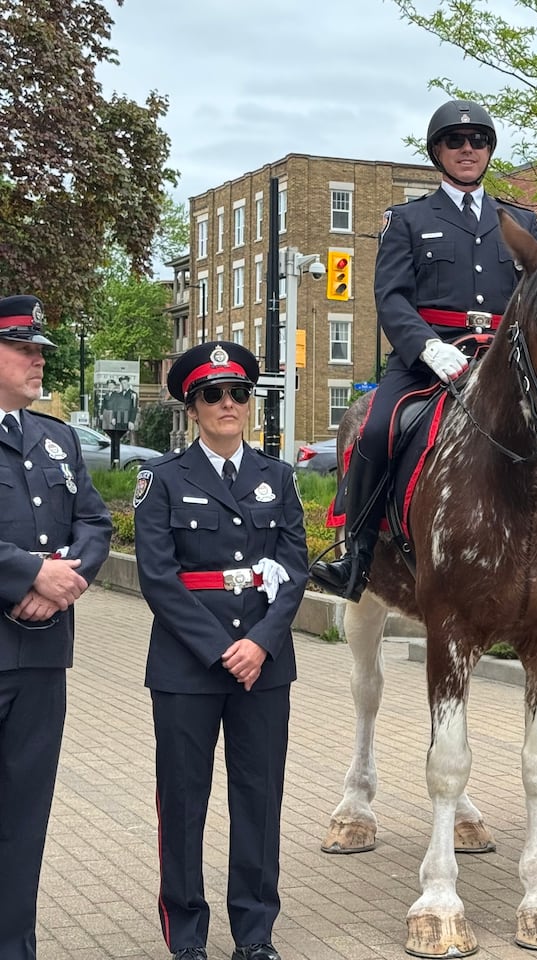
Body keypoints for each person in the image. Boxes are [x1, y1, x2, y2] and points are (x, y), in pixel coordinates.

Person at [310, 99, 537, 601]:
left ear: (489, 150)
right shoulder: (409, 219)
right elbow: (391, 298)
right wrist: (427, 348)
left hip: (504, 359)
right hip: (428, 361)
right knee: (376, 430)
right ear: (438, 152)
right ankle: (358, 553)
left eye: (478, 141)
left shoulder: (520, 220)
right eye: (455, 142)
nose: (467, 150)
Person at [133, 341, 308, 960]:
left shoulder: (278, 478)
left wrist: (259, 644)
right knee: (183, 803)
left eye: (238, 394)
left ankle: (254, 934)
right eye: (213, 395)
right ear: (192, 407)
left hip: (264, 666)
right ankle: (186, 937)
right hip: (187, 666)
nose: (228, 404)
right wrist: (222, 648)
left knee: (259, 801)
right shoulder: (162, 479)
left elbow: (294, 569)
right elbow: (158, 578)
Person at [0, 294, 112, 960]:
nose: (39, 359)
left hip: (42, 657)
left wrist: (67, 578)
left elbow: (93, 523)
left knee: (24, 821)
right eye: (24, 349)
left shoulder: (56, 436)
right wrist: (24, 575)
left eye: (41, 349)